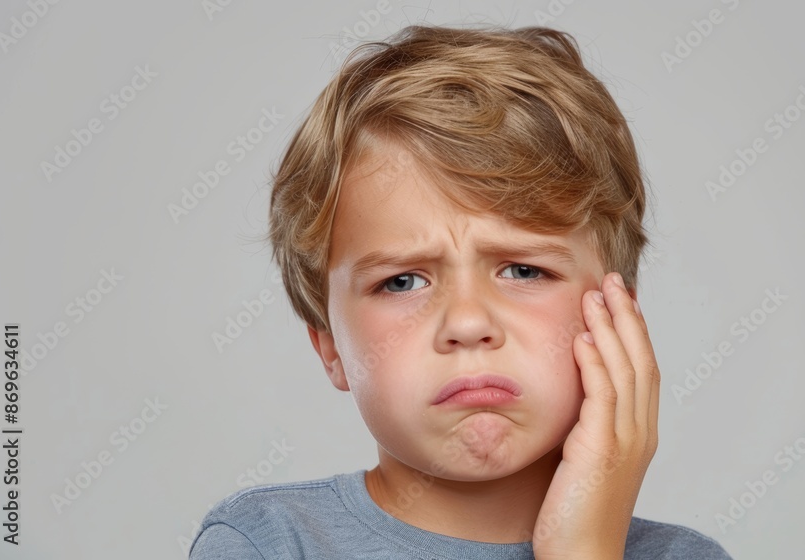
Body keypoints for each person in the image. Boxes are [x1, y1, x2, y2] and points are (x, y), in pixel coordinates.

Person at [190, 23, 732, 559]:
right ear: (329, 345)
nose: (468, 323)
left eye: (523, 271)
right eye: (402, 281)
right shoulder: (265, 543)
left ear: (618, 320)